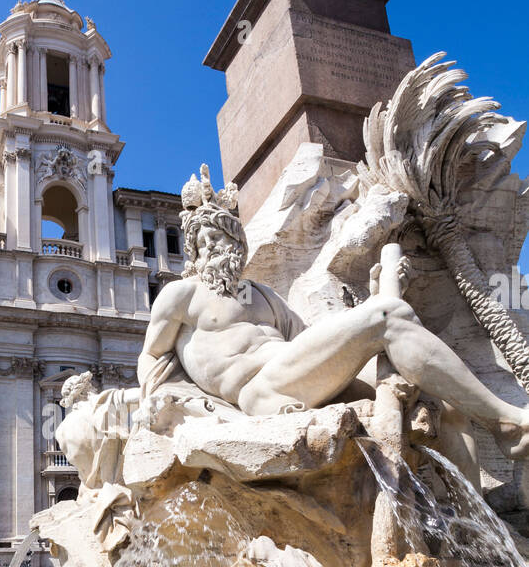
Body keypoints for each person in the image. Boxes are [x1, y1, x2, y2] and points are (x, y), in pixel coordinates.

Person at [138, 165, 529, 460]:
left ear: (237, 243)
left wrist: (375, 294)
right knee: (387, 318)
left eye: (221, 238)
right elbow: (152, 359)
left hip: (301, 375)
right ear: (192, 251)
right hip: (259, 391)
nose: (213, 249)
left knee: (443, 405)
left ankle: (467, 537)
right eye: (203, 243)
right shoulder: (181, 294)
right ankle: (506, 422)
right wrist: (165, 403)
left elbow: (313, 341)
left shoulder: (262, 294)